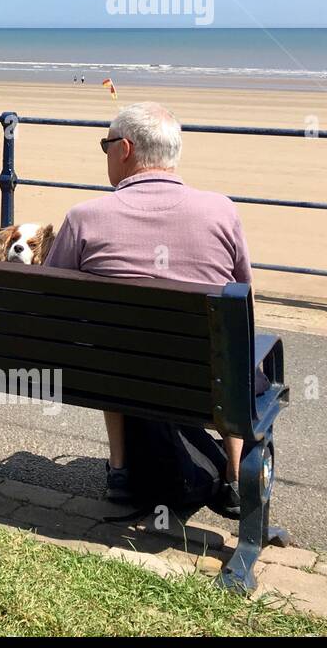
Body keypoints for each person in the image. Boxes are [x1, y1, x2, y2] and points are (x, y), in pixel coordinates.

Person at [43, 102, 253, 510]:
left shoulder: (85, 217)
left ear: (124, 149)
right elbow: (242, 298)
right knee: (233, 349)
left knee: (108, 341)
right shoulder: (221, 211)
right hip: (208, 376)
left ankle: (120, 470)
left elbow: (52, 299)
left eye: (105, 145)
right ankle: (233, 475)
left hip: (116, 373)